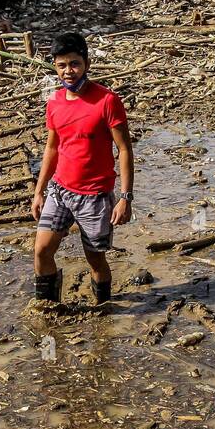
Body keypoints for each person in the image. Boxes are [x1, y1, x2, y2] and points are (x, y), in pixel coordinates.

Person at [31, 32, 135, 305]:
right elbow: (52, 148)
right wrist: (39, 191)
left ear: (86, 63)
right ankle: (48, 308)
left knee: (96, 259)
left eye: (74, 63)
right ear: (55, 67)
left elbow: (124, 149)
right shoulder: (54, 102)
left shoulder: (106, 101)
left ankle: (104, 310)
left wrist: (125, 198)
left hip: (95, 196)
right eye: (62, 65)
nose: (69, 71)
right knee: (42, 250)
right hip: (60, 190)